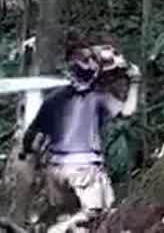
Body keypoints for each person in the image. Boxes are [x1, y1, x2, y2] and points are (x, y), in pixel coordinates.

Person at [19, 44, 140, 232]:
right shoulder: (98, 97)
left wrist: (26, 150)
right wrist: (134, 82)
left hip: (55, 171)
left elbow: (31, 134)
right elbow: (127, 112)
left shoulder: (53, 99)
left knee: (68, 216)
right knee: (97, 214)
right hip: (85, 169)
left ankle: (61, 226)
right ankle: (57, 230)